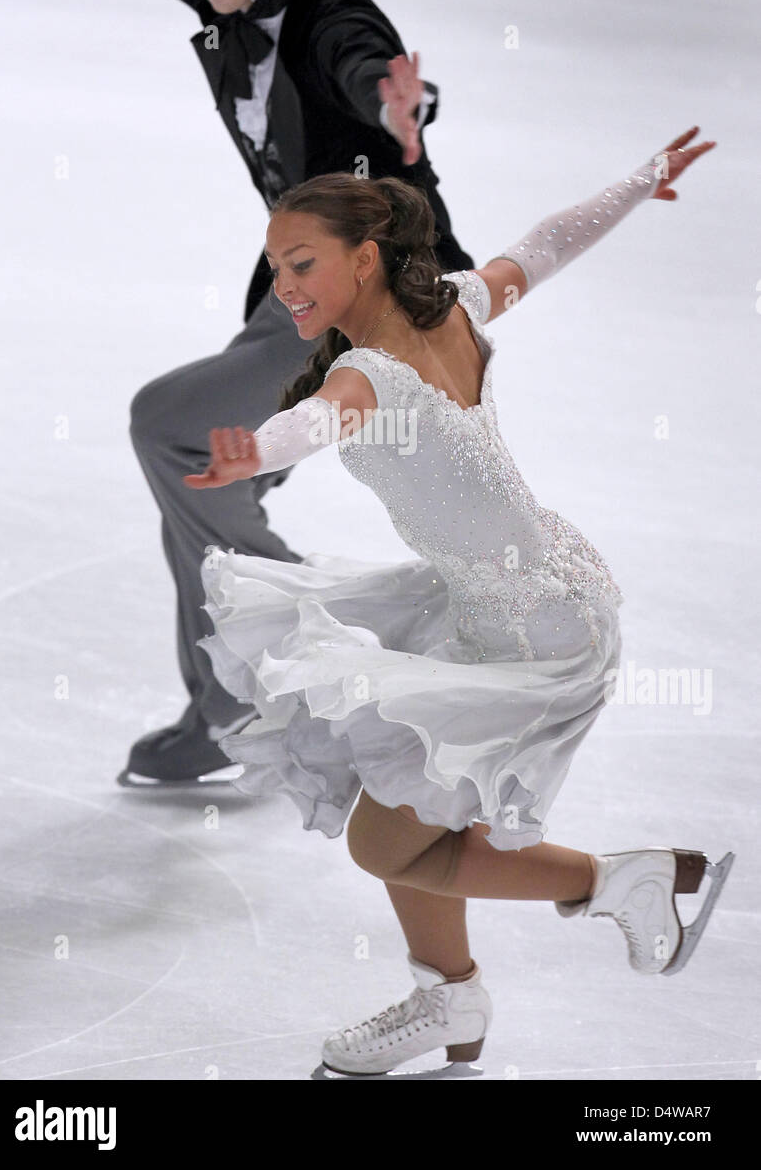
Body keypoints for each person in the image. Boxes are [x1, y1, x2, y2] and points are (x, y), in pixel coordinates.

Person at [182, 130, 734, 1076]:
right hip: (534, 592)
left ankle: (621, 880)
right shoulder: (460, 309)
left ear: (365, 258)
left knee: (384, 837)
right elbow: (546, 246)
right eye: (275, 267)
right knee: (399, 771)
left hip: (531, 636)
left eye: (303, 264)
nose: (285, 286)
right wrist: (638, 181)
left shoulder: (369, 379)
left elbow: (314, 422)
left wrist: (254, 453)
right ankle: (449, 998)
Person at [0, 0, 474, 783]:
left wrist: (396, 103)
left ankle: (303, 626)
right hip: (301, 286)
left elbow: (364, 61)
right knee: (207, 484)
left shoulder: (327, 7)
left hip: (377, 295)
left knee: (172, 431)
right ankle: (232, 712)